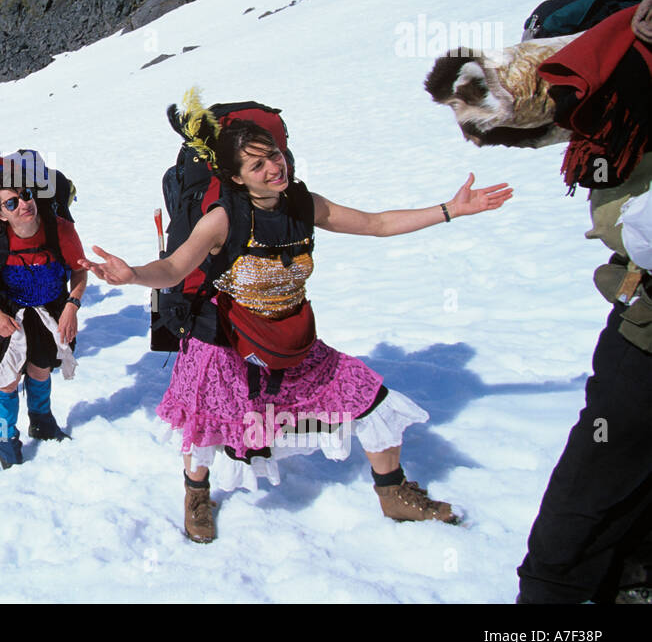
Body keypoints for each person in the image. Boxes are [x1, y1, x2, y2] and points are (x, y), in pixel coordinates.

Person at [80, 100, 513, 543]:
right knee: (209, 425)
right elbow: (174, 269)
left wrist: (449, 210)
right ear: (235, 177)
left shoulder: (306, 205)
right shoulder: (222, 220)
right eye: (257, 164)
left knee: (370, 398)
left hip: (289, 336)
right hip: (222, 343)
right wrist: (132, 275)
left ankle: (393, 492)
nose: (274, 168)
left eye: (275, 155)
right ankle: (197, 494)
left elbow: (377, 224)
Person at [515, 0, 652, 603]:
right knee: (601, 471)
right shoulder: (625, 88)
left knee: (598, 480)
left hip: (642, 320)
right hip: (642, 322)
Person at [0, 180, 88, 468]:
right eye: (11, 203)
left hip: (51, 311)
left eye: (25, 196)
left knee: (41, 369)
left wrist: (72, 307)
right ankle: (5, 438)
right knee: (7, 379)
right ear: (1, 214)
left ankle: (41, 421)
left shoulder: (60, 229)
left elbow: (79, 271)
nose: (23, 204)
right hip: (10, 314)